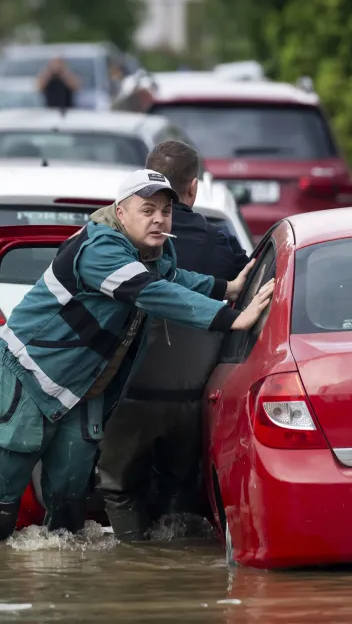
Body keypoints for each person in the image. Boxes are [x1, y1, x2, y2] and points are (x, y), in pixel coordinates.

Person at [0, 169, 275, 546]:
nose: (159, 218)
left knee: (70, 500)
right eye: (147, 210)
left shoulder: (153, 252)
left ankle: (63, 591)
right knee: (2, 495)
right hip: (28, 375)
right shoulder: (101, 251)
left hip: (85, 388)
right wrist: (231, 318)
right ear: (121, 213)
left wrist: (228, 287)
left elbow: (172, 278)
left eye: (165, 211)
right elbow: (153, 291)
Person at [95, 140, 251, 541]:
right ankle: (177, 561)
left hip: (128, 399)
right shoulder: (223, 244)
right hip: (194, 400)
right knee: (182, 492)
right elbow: (244, 292)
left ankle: (133, 569)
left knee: (120, 488)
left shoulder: (114, 243)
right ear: (194, 187)